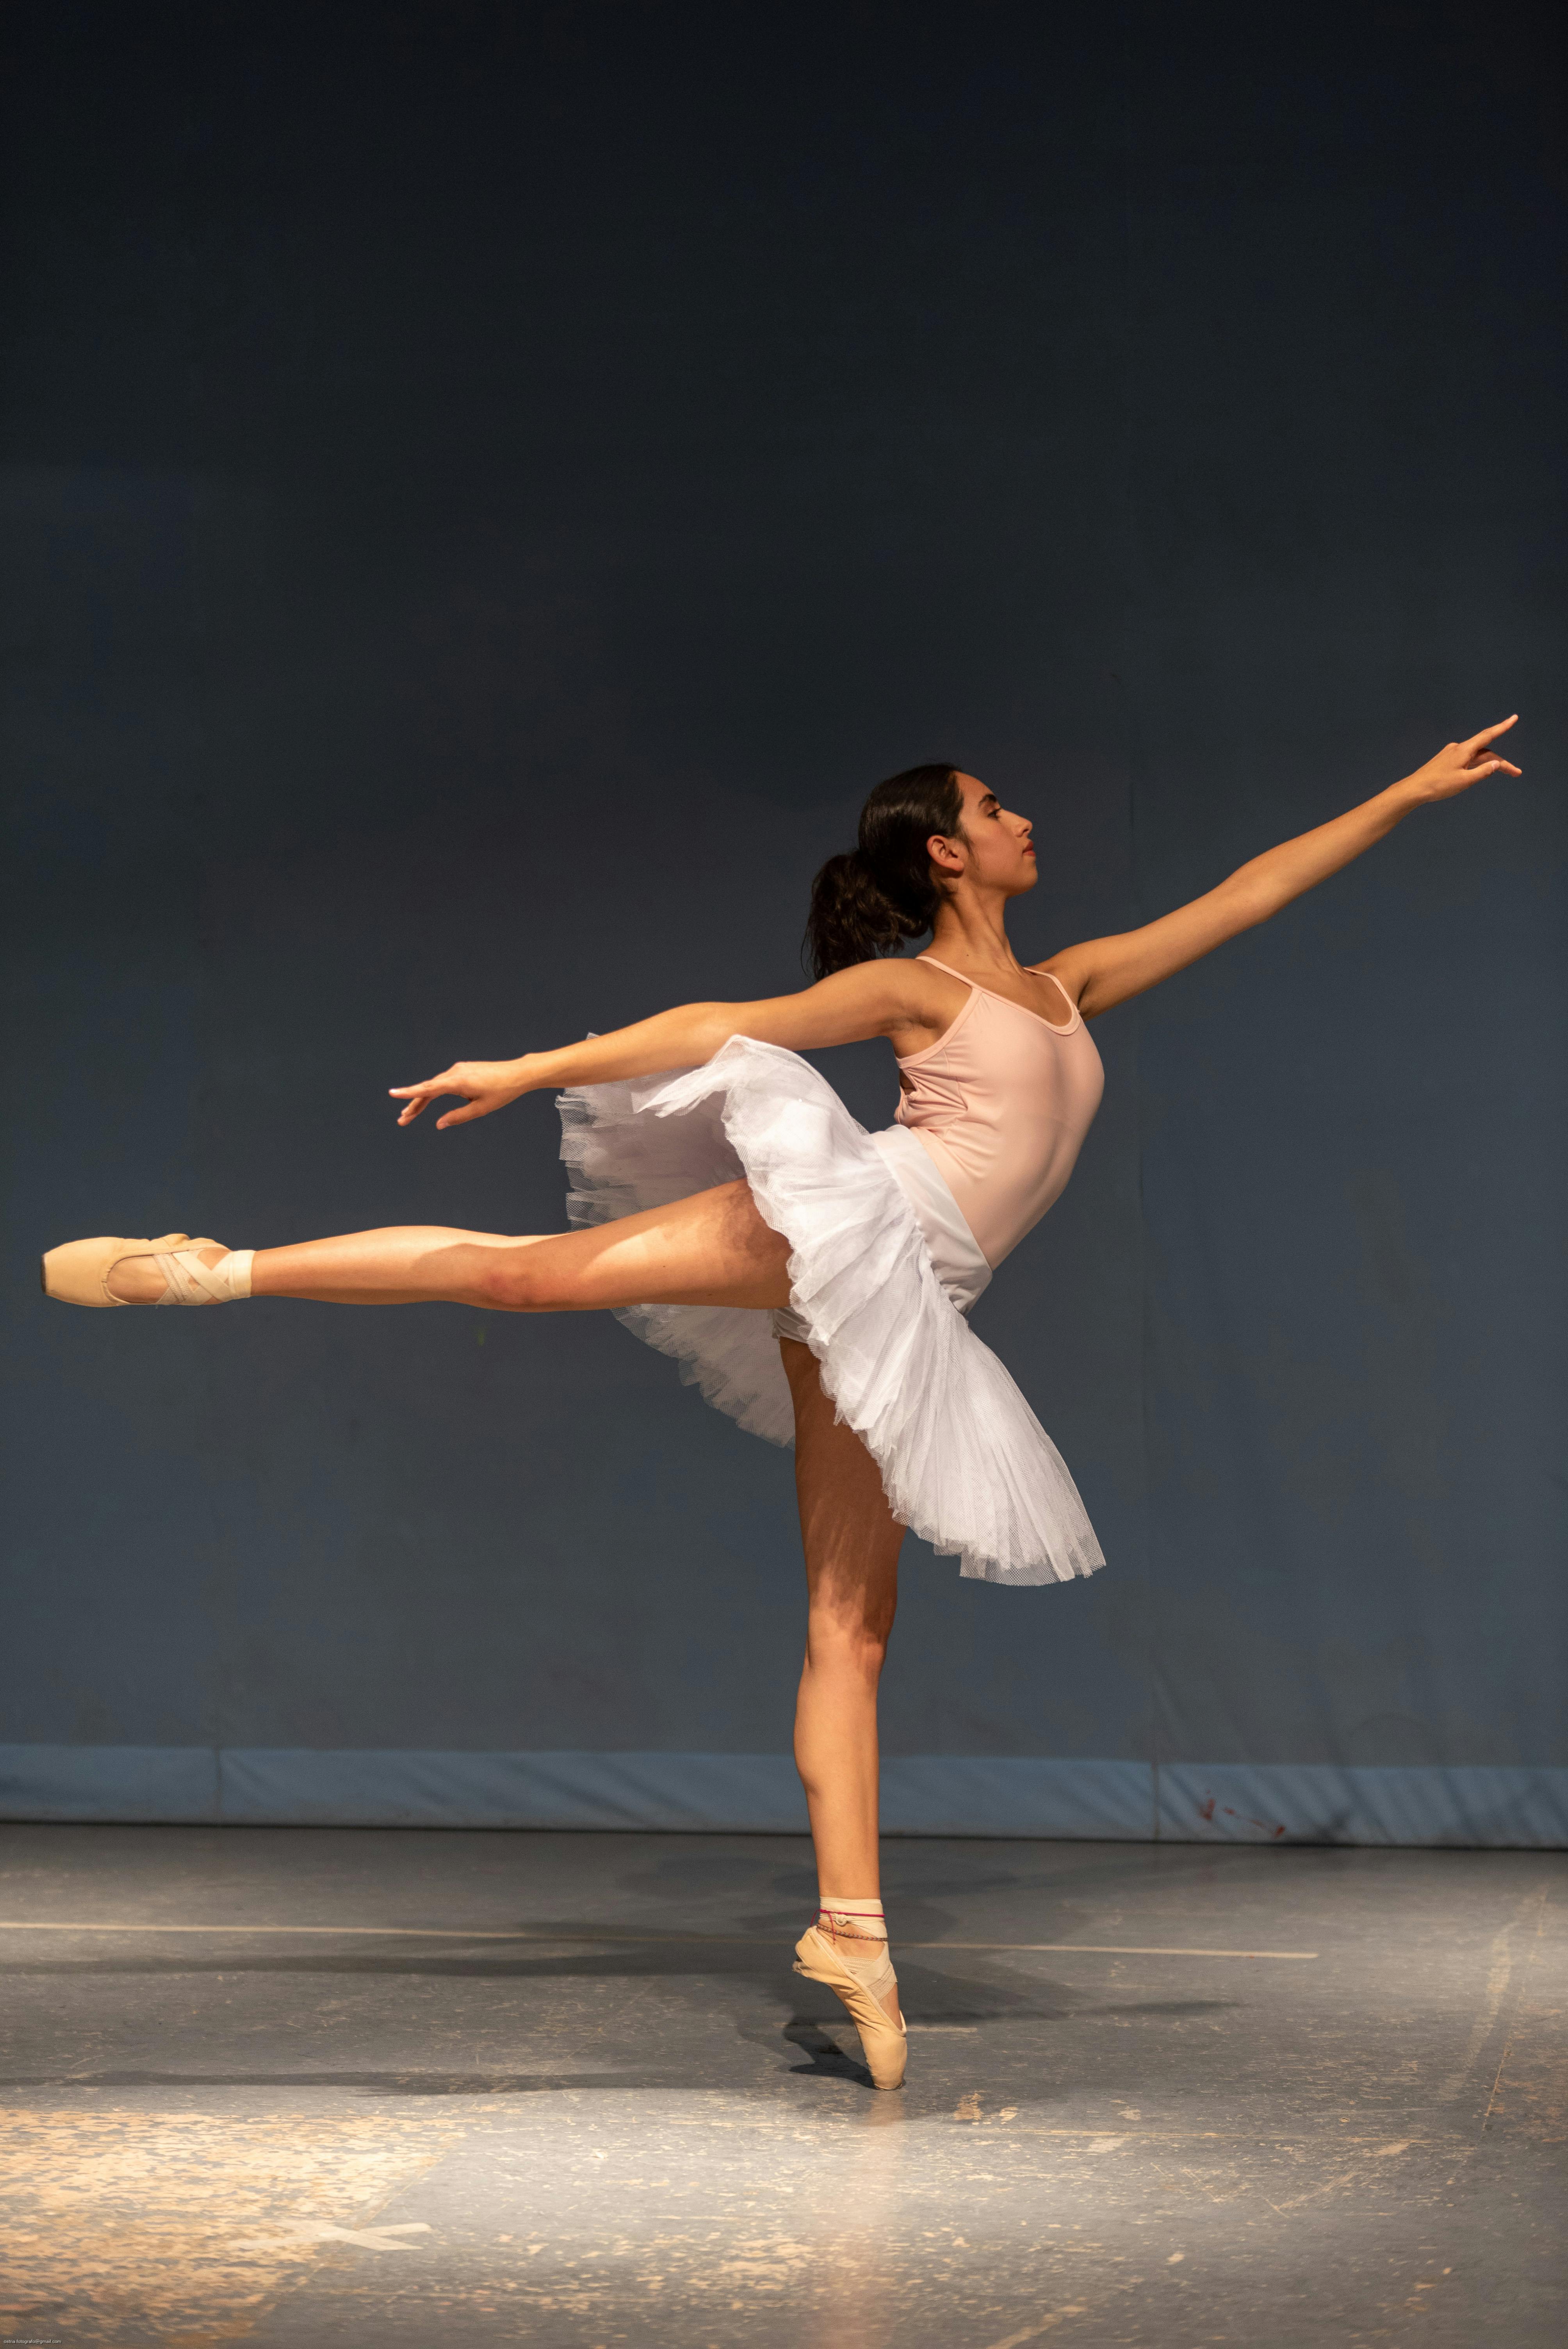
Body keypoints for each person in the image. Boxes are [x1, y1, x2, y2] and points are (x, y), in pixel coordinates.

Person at [41, 718, 1520, 2089]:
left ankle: (854, 1932)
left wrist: (1401, 794)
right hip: (859, 1229)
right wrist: (538, 1064)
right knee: (532, 1281)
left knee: (853, 1625)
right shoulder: (910, 989)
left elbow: (1250, 895)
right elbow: (722, 1021)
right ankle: (216, 1270)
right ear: (944, 848)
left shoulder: (1076, 982)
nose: (1026, 821)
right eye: (999, 809)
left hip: (912, 1313)